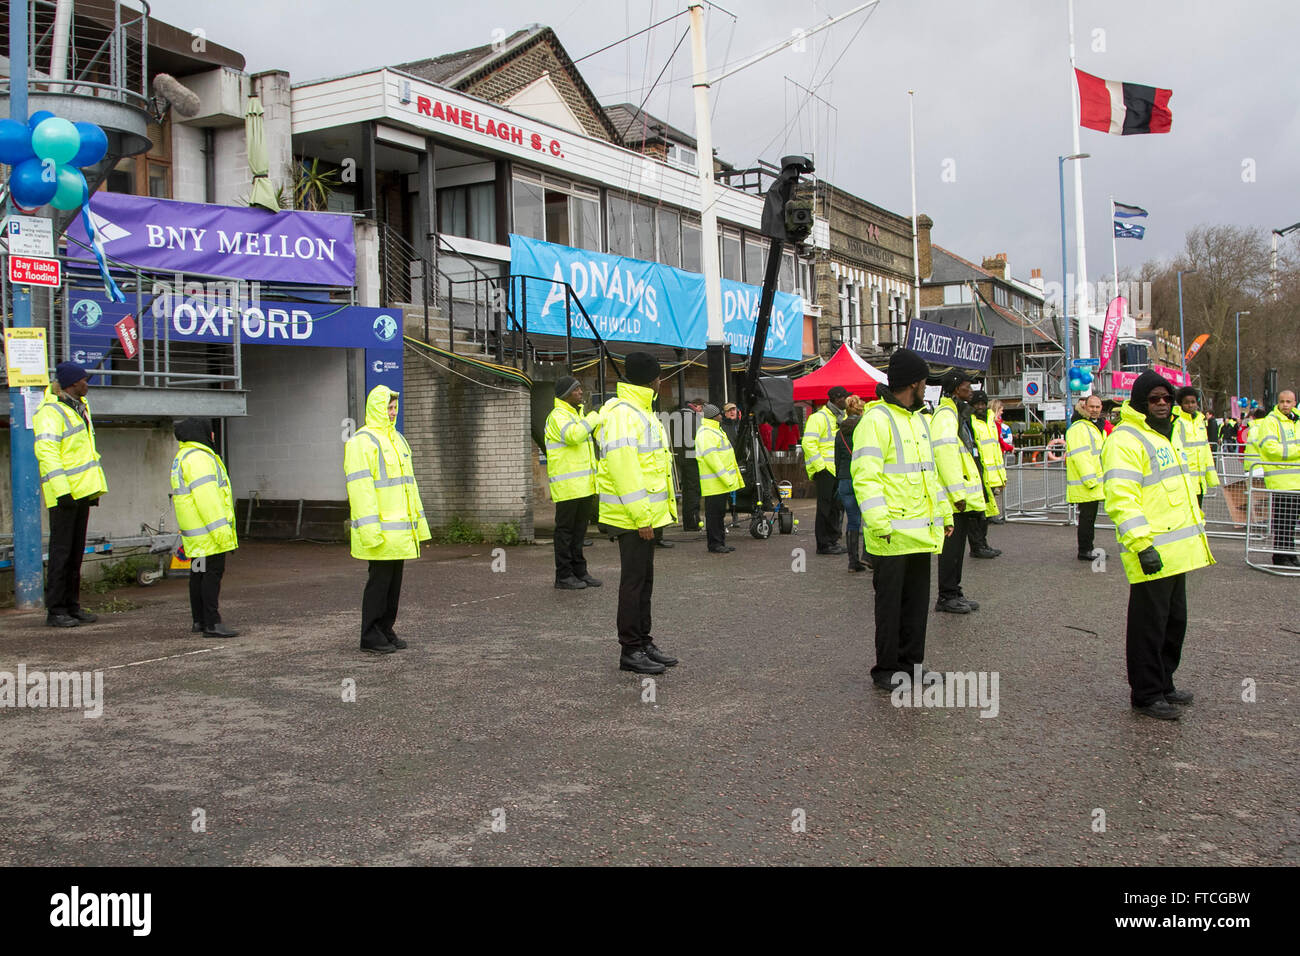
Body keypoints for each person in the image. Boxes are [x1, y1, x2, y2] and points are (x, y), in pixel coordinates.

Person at [1102, 371, 1215, 720]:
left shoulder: (1169, 434)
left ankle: (1164, 682)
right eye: (1155, 399)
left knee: (1173, 622)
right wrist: (1141, 544)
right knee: (1148, 627)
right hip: (1151, 550)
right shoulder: (1125, 439)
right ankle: (1146, 694)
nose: (1163, 404)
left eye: (1168, 398)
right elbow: (1122, 498)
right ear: (1140, 402)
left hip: (1176, 551)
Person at [852, 348, 953, 689]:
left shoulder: (920, 420)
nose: (927, 387)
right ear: (914, 383)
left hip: (919, 532)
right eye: (924, 381)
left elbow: (930, 475)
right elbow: (866, 477)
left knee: (915, 605)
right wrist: (880, 525)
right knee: (890, 607)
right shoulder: (875, 420)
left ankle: (912, 666)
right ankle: (887, 670)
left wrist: (944, 513)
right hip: (892, 533)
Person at [595, 352, 679, 675]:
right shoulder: (623, 414)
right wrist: (642, 517)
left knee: (644, 581)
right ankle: (630, 649)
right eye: (659, 376)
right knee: (633, 583)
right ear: (651, 379)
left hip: (644, 516)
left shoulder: (641, 410)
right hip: (633, 518)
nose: (661, 382)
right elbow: (624, 470)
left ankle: (644, 641)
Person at [343, 385, 431, 654]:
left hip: (398, 531)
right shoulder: (361, 442)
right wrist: (370, 531)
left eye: (394, 407)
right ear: (376, 408)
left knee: (392, 586)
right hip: (380, 529)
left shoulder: (397, 440)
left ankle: (384, 629)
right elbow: (360, 491)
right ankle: (369, 635)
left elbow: (409, 487)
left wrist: (418, 526)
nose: (392, 412)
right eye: (388, 407)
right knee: (379, 584)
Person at [33, 362, 108, 628]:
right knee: (61, 553)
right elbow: (48, 454)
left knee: (75, 553)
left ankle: (72, 605)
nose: (87, 383)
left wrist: (90, 489)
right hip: (65, 494)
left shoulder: (79, 407)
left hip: (81, 491)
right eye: (83, 380)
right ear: (71, 384)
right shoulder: (50, 412)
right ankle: (56, 610)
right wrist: (63, 491)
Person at [170, 418, 238, 637]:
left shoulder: (184, 456)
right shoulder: (201, 458)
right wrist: (223, 535)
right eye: (212, 432)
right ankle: (212, 623)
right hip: (209, 535)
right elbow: (208, 500)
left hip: (195, 536)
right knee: (211, 575)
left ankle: (199, 620)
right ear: (204, 434)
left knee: (198, 574)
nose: (214, 436)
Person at [932, 370, 986, 612]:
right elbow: (946, 455)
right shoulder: (946, 415)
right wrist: (958, 494)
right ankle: (947, 595)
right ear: (955, 389)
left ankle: (954, 590)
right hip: (954, 498)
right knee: (951, 549)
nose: (971, 391)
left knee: (956, 549)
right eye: (966, 387)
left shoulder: (955, 413)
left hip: (957, 495)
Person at [545, 376, 602, 590]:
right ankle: (563, 576)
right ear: (565, 394)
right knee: (565, 533)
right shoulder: (557, 416)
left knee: (579, 533)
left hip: (584, 486)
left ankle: (580, 572)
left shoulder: (576, 415)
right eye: (576, 389)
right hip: (568, 487)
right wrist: (593, 418)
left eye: (580, 388)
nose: (580, 392)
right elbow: (572, 437)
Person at [1253, 389, 1300, 566]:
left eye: (1289, 401)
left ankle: (1290, 554)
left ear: (1294, 403)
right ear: (1277, 403)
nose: (1285, 405)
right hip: (1281, 480)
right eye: (1282, 401)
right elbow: (1270, 448)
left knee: (1291, 522)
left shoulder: (1297, 420)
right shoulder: (1270, 422)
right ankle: (1279, 556)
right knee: (1283, 521)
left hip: (1297, 480)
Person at [802, 385, 850, 554]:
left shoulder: (840, 416)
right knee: (825, 508)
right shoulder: (819, 418)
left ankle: (833, 541)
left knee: (835, 507)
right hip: (826, 470)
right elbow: (808, 443)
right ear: (837, 399)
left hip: (837, 469)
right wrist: (820, 467)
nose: (847, 400)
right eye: (845, 397)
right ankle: (823, 544)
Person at [695, 403, 743, 553]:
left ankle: (720, 542)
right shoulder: (706, 433)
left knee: (719, 514)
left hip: (719, 483)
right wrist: (727, 478)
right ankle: (715, 544)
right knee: (714, 515)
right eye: (719, 414)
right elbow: (713, 460)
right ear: (713, 417)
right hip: (715, 483)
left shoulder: (714, 431)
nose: (721, 416)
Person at [1065, 395, 1106, 560]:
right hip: (1087, 483)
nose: (1095, 410)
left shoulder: (1091, 426)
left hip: (1092, 482)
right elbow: (1081, 456)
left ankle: (1089, 548)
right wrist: (1091, 481)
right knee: (1087, 519)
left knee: (1090, 518)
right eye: (1092, 407)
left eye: (1097, 407)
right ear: (1085, 407)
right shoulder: (1080, 427)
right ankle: (1085, 550)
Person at [966, 391, 1002, 556]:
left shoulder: (990, 421)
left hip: (988, 473)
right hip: (976, 470)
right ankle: (977, 546)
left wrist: (1002, 476)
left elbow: (995, 449)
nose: (980, 407)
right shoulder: (969, 420)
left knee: (985, 512)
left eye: (982, 404)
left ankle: (983, 544)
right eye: (977, 404)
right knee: (976, 513)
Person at [835, 396, 868, 572]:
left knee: (853, 521)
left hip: (844, 479)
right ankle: (868, 557)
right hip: (862, 478)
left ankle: (852, 562)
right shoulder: (864, 430)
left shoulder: (839, 432)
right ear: (861, 411)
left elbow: (837, 460)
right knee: (870, 520)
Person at [1174, 387, 1219, 511]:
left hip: (1199, 481)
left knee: (1198, 514)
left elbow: (1206, 450)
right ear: (1180, 404)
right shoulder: (1176, 422)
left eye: (1193, 402)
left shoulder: (1200, 422)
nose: (1190, 405)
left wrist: (1211, 475)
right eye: (1186, 402)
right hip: (1183, 480)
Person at [678, 398, 704, 533]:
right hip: (692, 459)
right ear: (697, 406)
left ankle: (689, 522)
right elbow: (696, 439)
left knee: (688, 491)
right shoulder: (691, 418)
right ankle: (693, 522)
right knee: (693, 491)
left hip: (682, 458)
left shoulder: (678, 416)